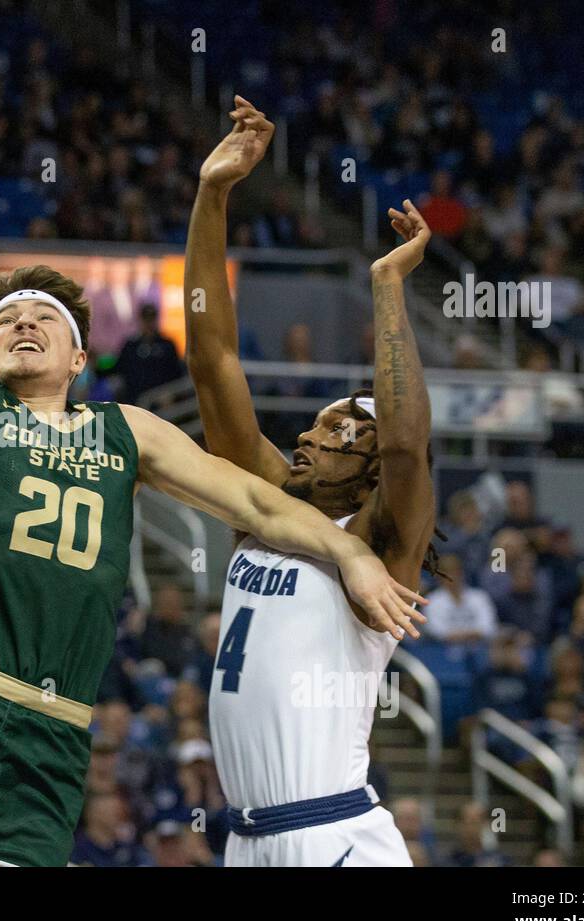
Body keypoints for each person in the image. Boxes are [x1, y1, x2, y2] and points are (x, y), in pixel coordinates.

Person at [0, 52, 420, 867]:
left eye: (40, 317)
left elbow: (259, 505)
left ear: (80, 354)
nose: (21, 322)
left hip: (51, 733)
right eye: (4, 318)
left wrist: (352, 554)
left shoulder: (127, 432)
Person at [184, 98, 436, 867]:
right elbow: (212, 359)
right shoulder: (263, 506)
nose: (310, 434)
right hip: (248, 839)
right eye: (317, 422)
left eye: (338, 432)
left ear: (365, 473)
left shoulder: (380, 543)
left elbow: (405, 446)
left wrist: (389, 286)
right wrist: (212, 193)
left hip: (332, 834)